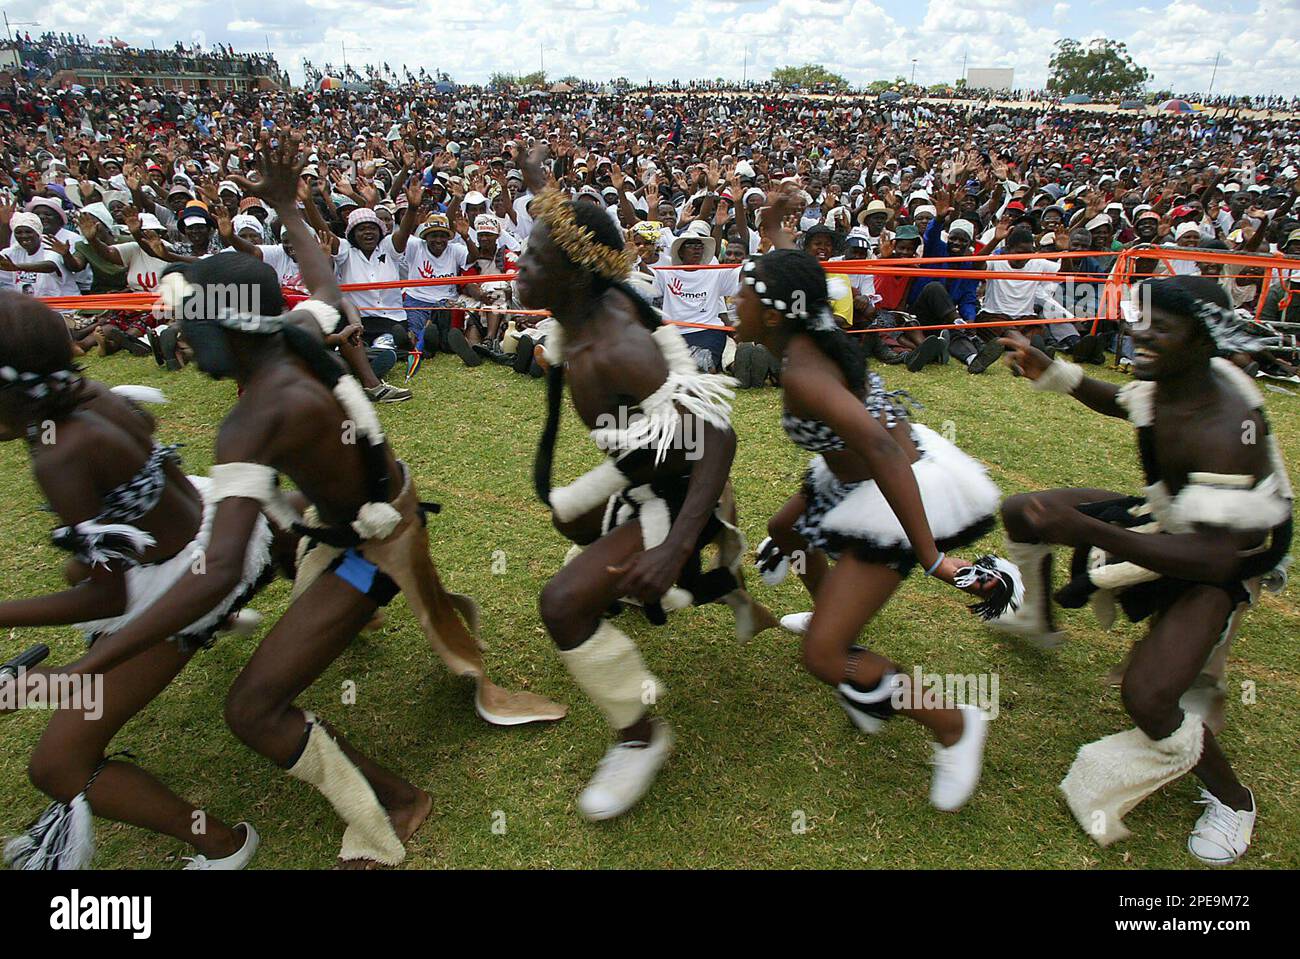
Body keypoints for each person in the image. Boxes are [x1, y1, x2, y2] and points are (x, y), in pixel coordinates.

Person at [30, 137, 566, 868]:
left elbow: (216, 574)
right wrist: (286, 206)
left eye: (191, 325)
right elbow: (323, 281)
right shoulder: (291, 333)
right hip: (366, 518)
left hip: (366, 551)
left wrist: (95, 664)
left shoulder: (254, 421)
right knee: (279, 536)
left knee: (252, 709)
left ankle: (397, 805)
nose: (180, 340)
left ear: (227, 325)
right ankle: (345, 614)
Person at [992, 275, 1292, 863]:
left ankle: (1234, 801)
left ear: (1204, 340)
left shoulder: (1227, 428)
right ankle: (1035, 621)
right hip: (1175, 522)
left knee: (1151, 698)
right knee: (1021, 512)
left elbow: (1216, 556)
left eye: (1161, 327)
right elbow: (1128, 401)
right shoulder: (1178, 376)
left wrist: (1093, 532)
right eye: (1140, 319)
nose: (1139, 334)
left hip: (1223, 562)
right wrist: (1054, 370)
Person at [517, 145, 773, 821]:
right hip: (644, 471)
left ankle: (640, 733)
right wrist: (536, 173)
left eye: (535, 256)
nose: (519, 263)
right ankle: (687, 583)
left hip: (683, 497)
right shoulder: (585, 309)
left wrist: (669, 547)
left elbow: (716, 436)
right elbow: (575, 231)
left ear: (573, 271)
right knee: (568, 518)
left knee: (563, 604)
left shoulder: (615, 349)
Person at [740, 186, 1011, 813]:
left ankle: (954, 724)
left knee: (824, 654)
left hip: (893, 491)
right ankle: (831, 609)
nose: (735, 302)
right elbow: (782, 259)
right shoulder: (805, 317)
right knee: (787, 533)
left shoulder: (807, 372)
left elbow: (887, 457)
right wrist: (772, 217)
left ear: (773, 316)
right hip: (851, 473)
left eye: (743, 297)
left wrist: (932, 556)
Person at [0, 293, 271, 869]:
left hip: (191, 582)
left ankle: (222, 846)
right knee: (78, 572)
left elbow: (109, 596)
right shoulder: (88, 397)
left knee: (57, 764)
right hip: (216, 523)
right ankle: (27, 684)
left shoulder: (57, 454)